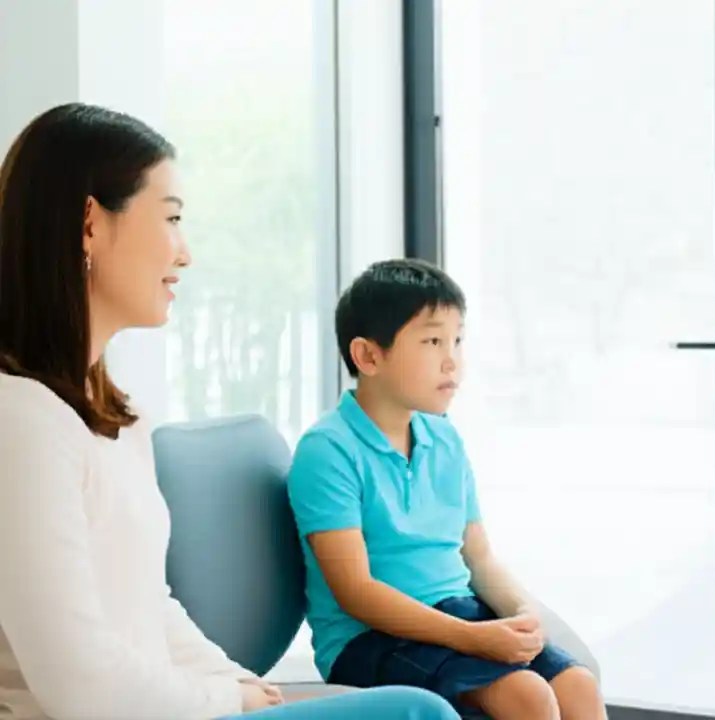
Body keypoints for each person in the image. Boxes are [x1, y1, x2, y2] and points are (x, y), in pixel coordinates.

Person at [0, 103, 460, 720]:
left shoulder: (115, 417)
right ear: (90, 224)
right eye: (171, 218)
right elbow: (77, 685)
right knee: (415, 713)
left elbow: (150, 605)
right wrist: (224, 699)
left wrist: (237, 683)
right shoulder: (21, 424)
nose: (184, 253)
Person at [286, 259, 606, 720]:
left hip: (457, 614)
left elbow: (478, 557)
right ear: (368, 357)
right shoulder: (328, 450)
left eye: (457, 340)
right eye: (432, 341)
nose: (452, 360)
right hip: (369, 640)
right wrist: (473, 637)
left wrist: (521, 611)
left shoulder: (444, 438)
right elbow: (357, 592)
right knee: (527, 695)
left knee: (578, 685)